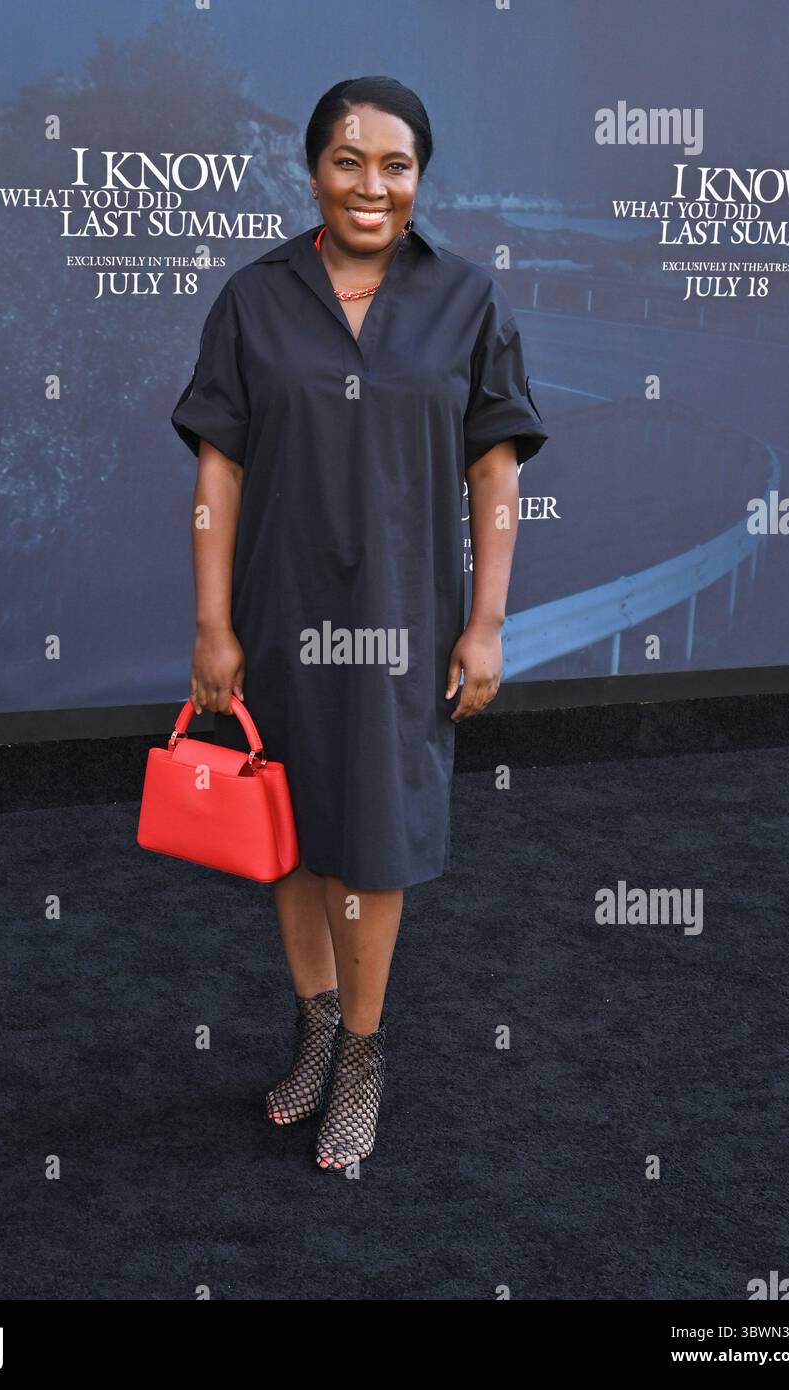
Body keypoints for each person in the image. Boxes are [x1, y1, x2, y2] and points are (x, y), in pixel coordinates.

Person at [171, 75, 548, 1173]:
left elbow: (495, 474)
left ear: (419, 175)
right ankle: (316, 1030)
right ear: (312, 170)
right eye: (347, 161)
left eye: (394, 164)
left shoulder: (468, 300)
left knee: (369, 843)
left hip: (404, 619)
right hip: (275, 613)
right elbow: (216, 468)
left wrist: (483, 623)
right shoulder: (252, 298)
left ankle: (365, 1058)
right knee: (287, 833)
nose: (369, 185)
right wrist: (211, 624)